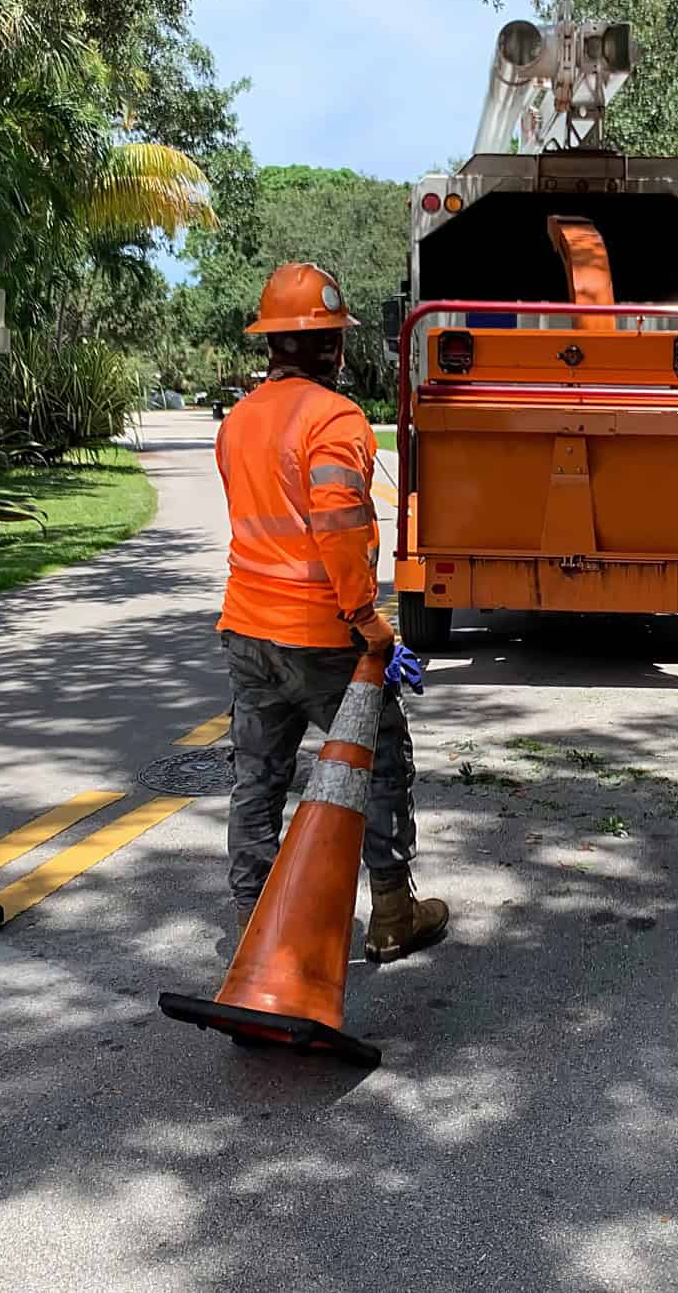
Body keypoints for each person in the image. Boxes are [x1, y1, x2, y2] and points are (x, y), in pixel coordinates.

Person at [215, 262, 449, 961]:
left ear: (270, 347)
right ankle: (392, 913)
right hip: (323, 635)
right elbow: (340, 527)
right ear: (331, 349)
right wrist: (372, 628)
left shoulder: (237, 422)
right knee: (378, 763)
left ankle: (254, 933)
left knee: (256, 781)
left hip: (248, 631)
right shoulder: (334, 419)